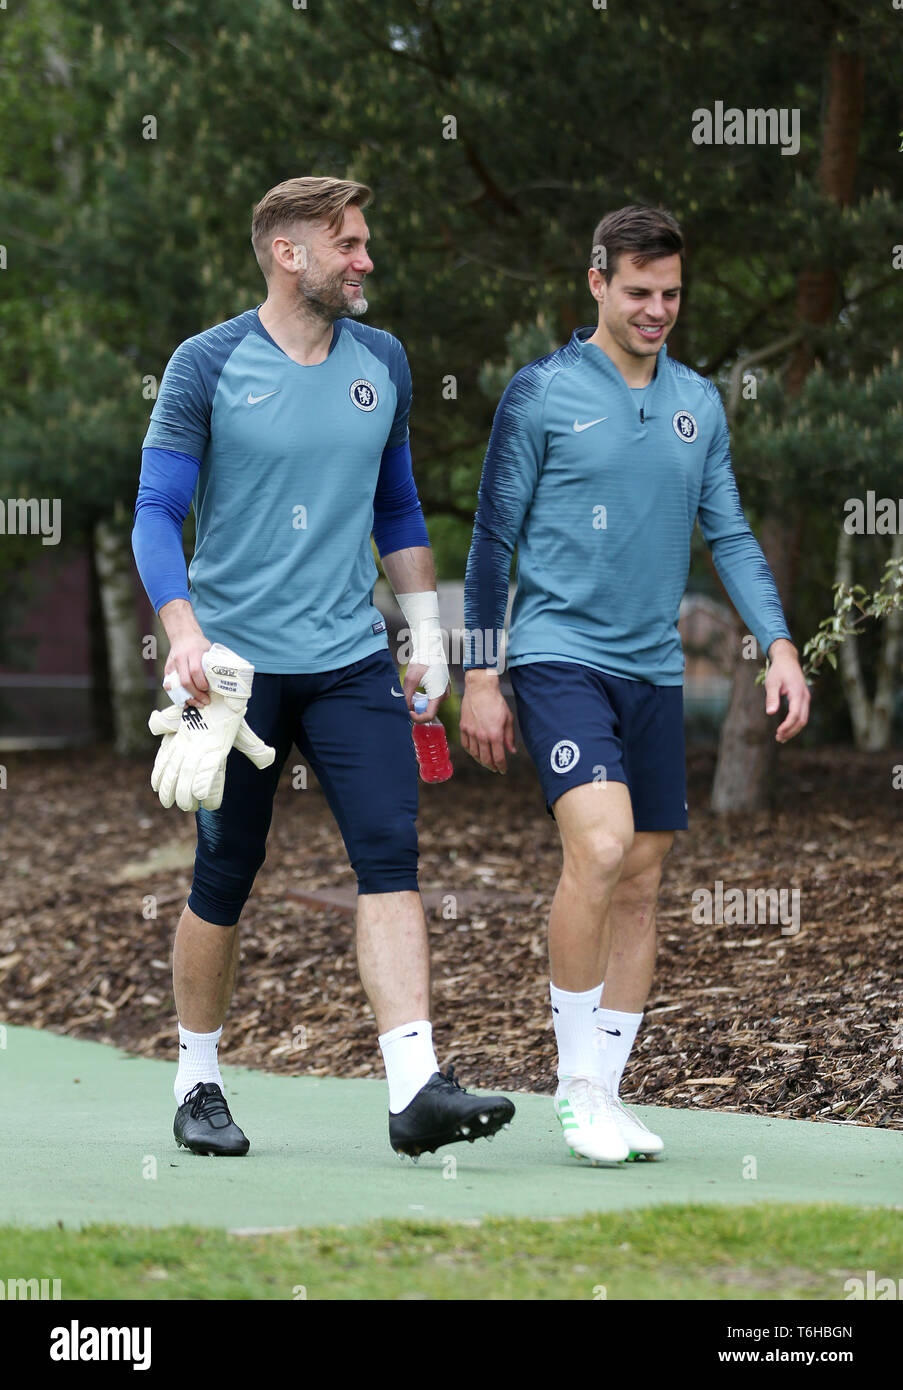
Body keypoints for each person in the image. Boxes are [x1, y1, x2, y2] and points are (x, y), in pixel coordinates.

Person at [132, 175, 514, 1159]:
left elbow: (397, 507)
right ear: (287, 253)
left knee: (390, 854)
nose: (366, 259)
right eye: (348, 243)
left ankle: (413, 1084)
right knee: (226, 869)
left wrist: (426, 633)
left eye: (365, 241)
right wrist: (181, 630)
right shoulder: (206, 364)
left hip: (351, 660)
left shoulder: (381, 361)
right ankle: (197, 1080)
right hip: (235, 674)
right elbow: (155, 513)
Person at [459, 204, 809, 1164]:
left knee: (644, 881)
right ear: (597, 283)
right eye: (639, 292)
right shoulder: (539, 394)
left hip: (651, 667)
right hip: (555, 654)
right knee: (603, 844)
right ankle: (574, 1088)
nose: (657, 310)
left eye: (671, 295)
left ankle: (607, 1092)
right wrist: (479, 673)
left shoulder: (698, 401)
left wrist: (776, 643)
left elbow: (728, 533)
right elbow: (491, 542)